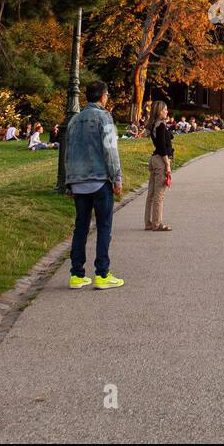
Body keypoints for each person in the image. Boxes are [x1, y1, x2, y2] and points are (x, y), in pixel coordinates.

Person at [64, 81, 124, 291]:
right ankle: (102, 273)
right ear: (103, 96)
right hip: (99, 180)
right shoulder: (104, 117)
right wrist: (117, 178)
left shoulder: (74, 120)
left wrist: (69, 181)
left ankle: (77, 274)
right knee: (104, 226)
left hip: (78, 181)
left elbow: (67, 152)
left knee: (80, 227)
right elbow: (110, 150)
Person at [145, 100, 174, 232]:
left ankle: (148, 222)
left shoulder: (154, 125)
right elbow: (162, 147)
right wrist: (167, 164)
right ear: (159, 111)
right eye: (165, 110)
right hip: (160, 160)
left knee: (151, 194)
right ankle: (157, 223)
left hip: (154, 159)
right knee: (159, 194)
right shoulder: (161, 126)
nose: (167, 112)